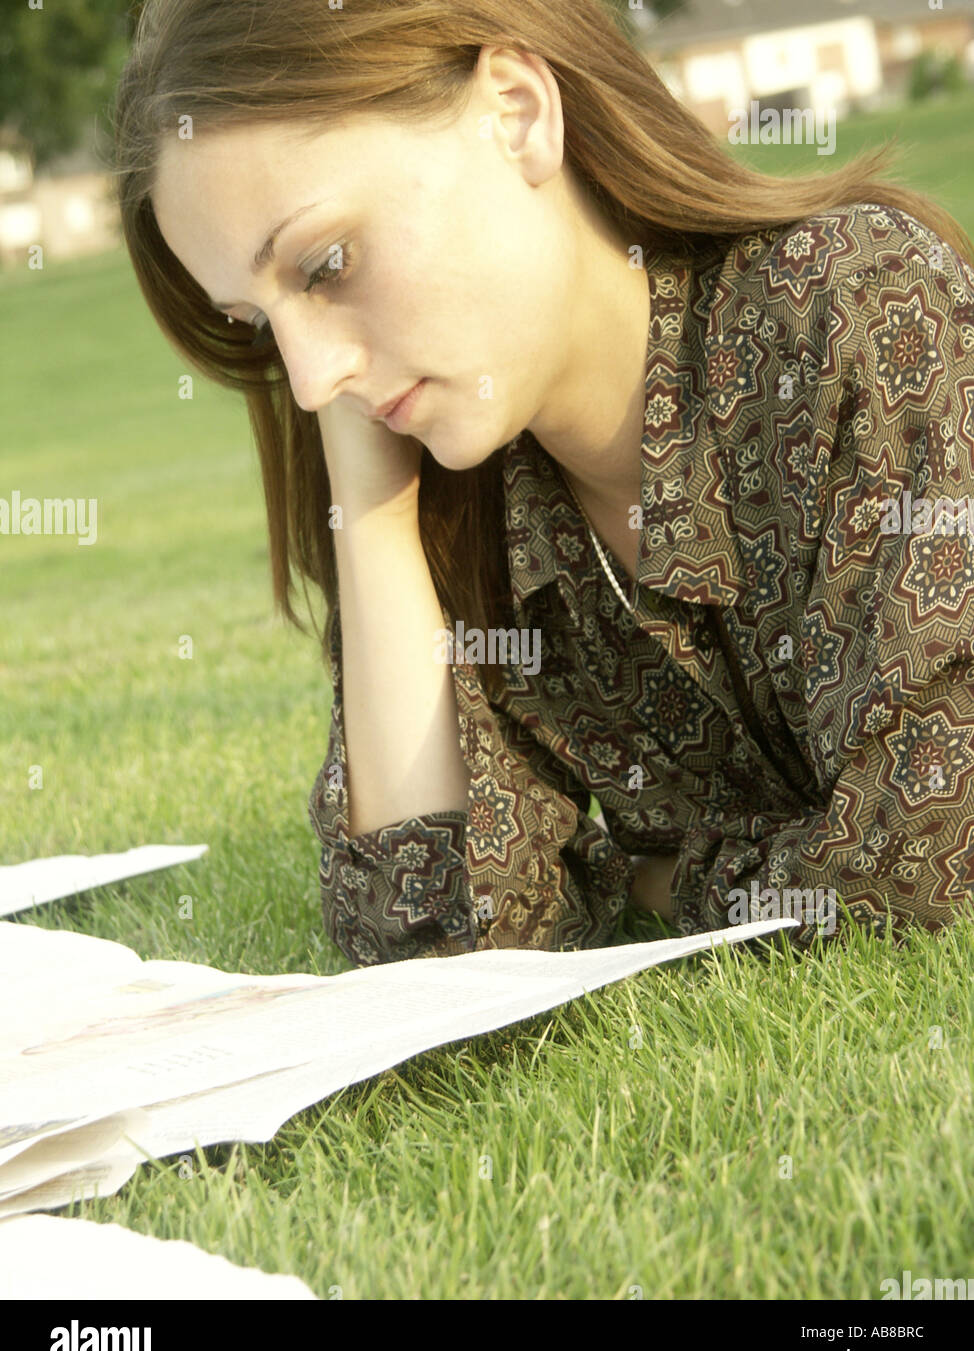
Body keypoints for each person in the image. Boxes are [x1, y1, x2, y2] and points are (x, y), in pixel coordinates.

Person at [112, 0, 974, 966]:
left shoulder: (852, 304)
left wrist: (660, 881)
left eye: (327, 264)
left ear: (518, 113)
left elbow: (927, 855)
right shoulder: (471, 494)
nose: (313, 381)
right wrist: (373, 514)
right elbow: (431, 945)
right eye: (261, 322)